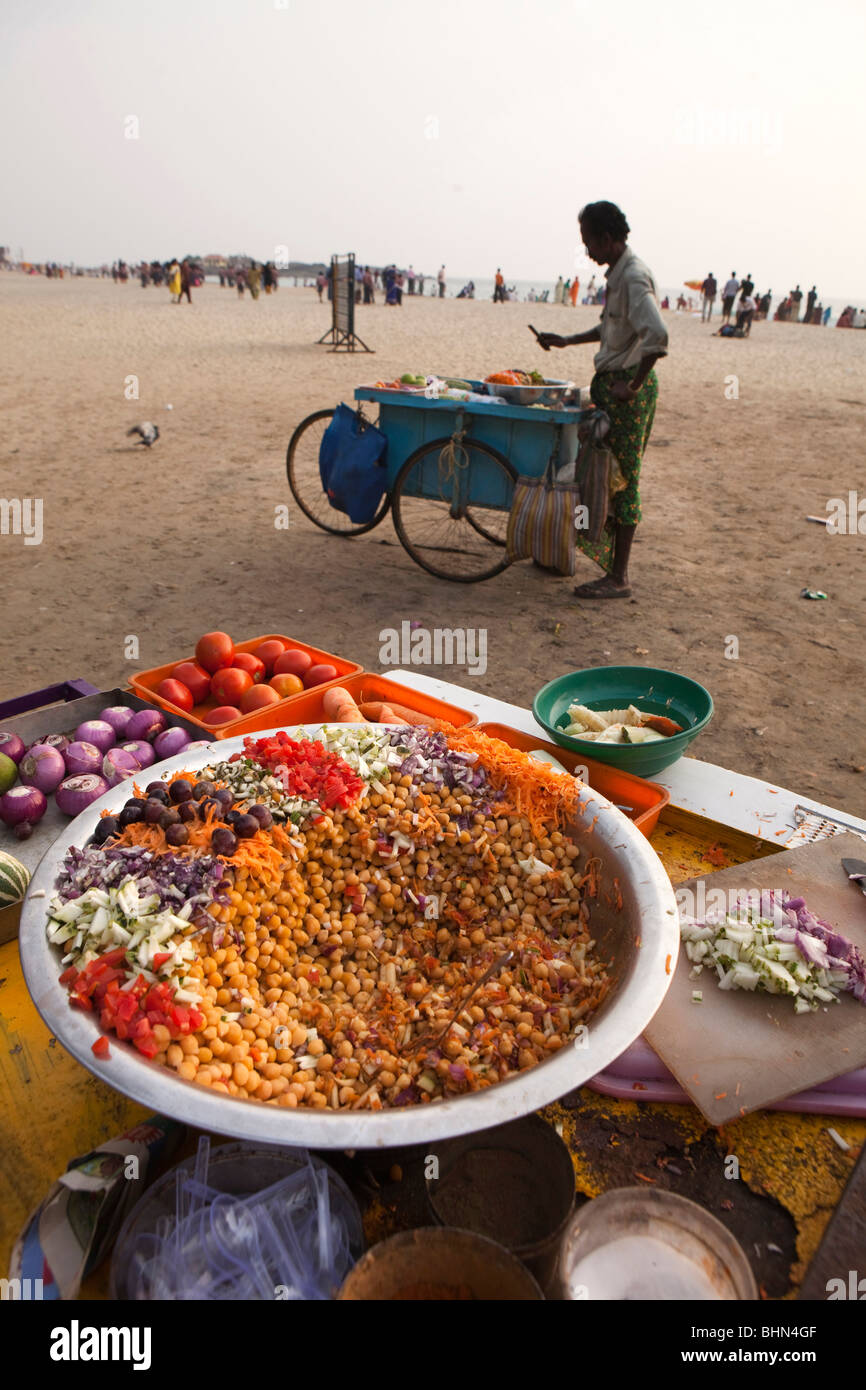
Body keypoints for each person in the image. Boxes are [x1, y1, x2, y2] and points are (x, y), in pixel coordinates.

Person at [536, 200, 668, 600]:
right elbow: (611, 329)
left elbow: (657, 336)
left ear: (606, 239)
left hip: (627, 392)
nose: (587, 250)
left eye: (588, 241)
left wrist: (634, 385)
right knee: (607, 477)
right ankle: (610, 567)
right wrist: (566, 340)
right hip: (616, 387)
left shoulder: (633, 277)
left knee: (624, 480)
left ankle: (619, 578)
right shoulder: (618, 275)